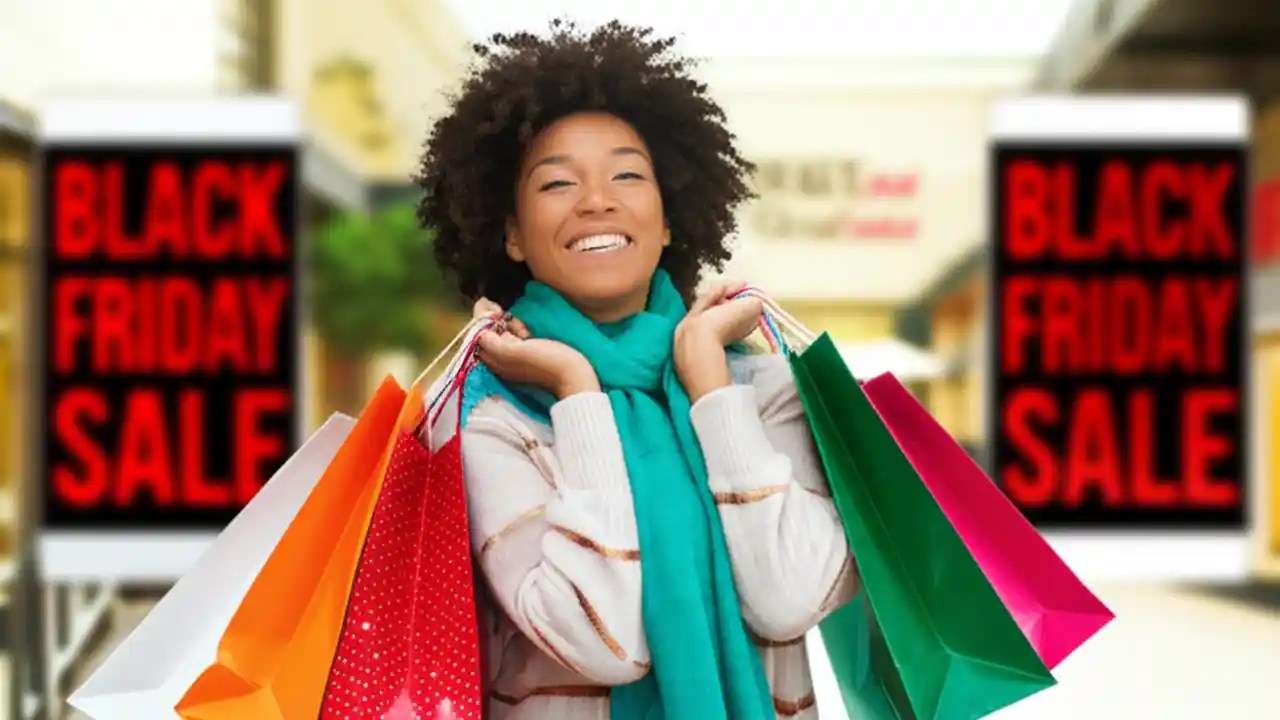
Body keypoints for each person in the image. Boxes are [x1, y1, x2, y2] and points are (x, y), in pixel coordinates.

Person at [415, 20, 857, 720]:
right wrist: (576, 394)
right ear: (512, 234)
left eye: (627, 174)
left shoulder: (763, 391)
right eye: (558, 182)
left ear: (669, 217)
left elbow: (789, 599)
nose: (598, 200)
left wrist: (711, 383)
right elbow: (607, 642)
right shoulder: (486, 418)